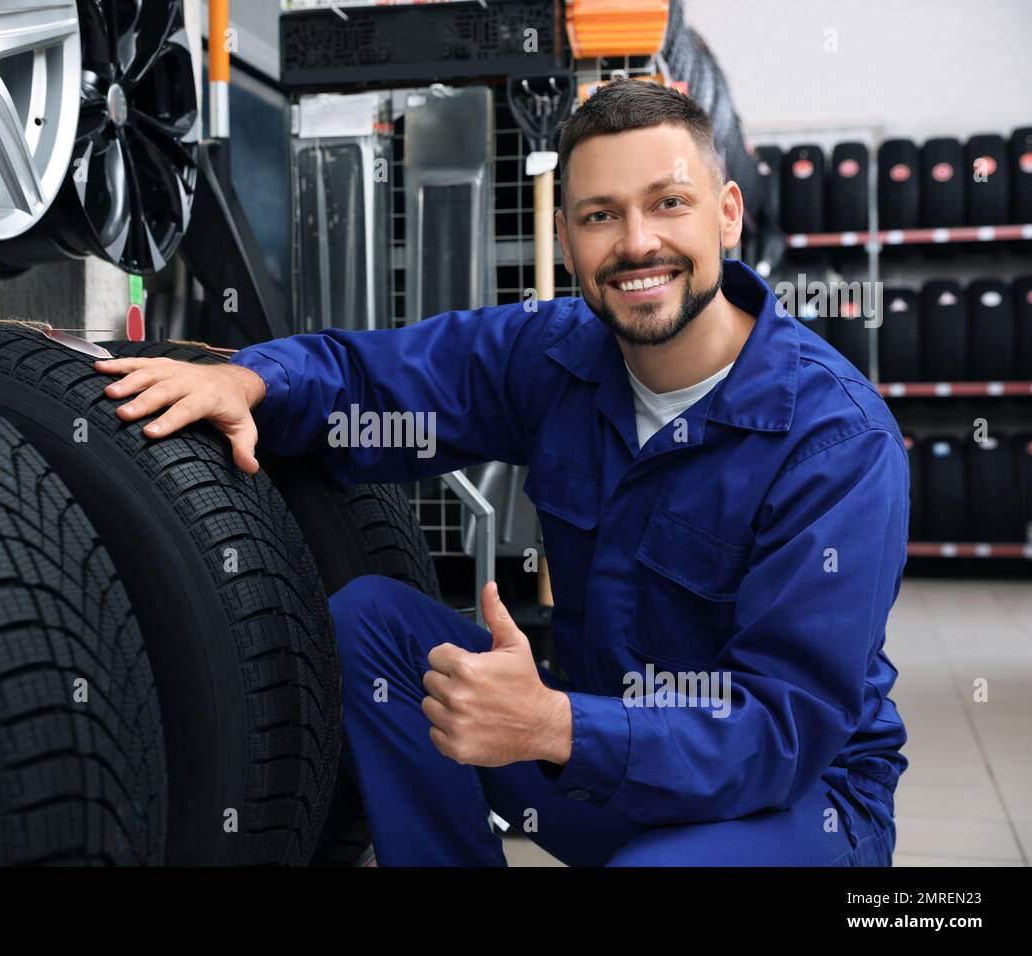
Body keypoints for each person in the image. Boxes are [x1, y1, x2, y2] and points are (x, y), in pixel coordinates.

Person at [93, 79, 908, 867]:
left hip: (795, 803)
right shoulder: (556, 355)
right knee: (373, 626)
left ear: (725, 214)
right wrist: (251, 382)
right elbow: (378, 381)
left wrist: (558, 727)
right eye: (600, 216)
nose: (636, 244)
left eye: (668, 202)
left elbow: (782, 730)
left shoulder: (834, 440)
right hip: (602, 767)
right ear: (564, 238)